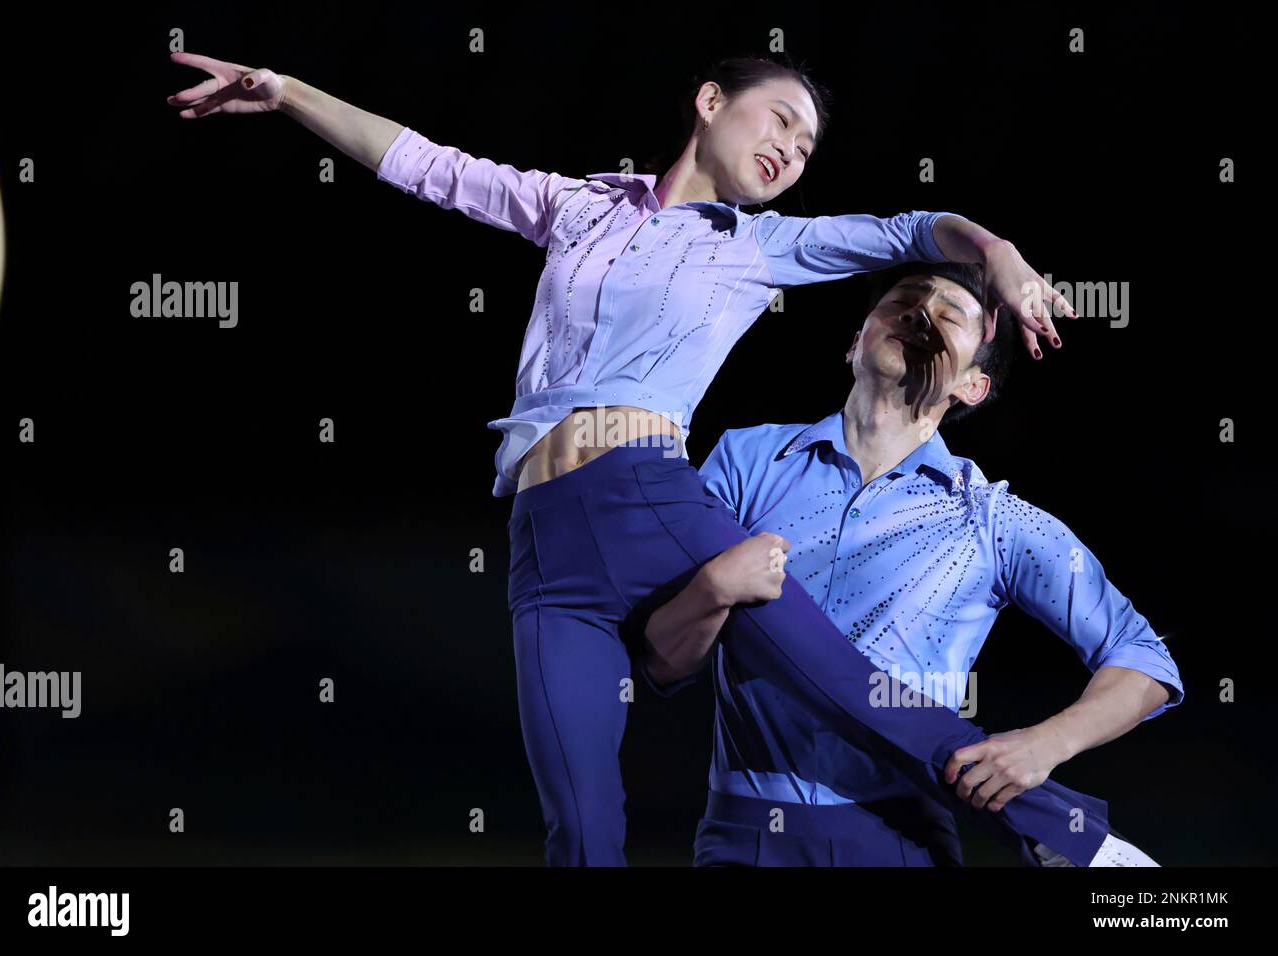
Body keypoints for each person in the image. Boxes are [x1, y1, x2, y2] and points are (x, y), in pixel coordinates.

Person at [167, 52, 1102, 867]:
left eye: (807, 148)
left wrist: (1001, 256)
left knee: (852, 694)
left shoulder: (760, 246)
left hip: (653, 505)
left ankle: (1076, 837)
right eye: (780, 119)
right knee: (579, 827)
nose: (791, 150)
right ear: (709, 101)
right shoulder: (577, 206)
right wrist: (285, 91)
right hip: (546, 549)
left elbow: (913, 228)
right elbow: (424, 165)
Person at [639, 261, 1182, 866]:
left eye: (950, 317)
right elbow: (663, 660)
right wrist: (713, 588)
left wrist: (1043, 745)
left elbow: (1145, 662)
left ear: (972, 386)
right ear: (855, 343)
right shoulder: (746, 459)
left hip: (897, 839)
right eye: (903, 303)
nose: (921, 314)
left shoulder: (994, 521)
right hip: (745, 831)